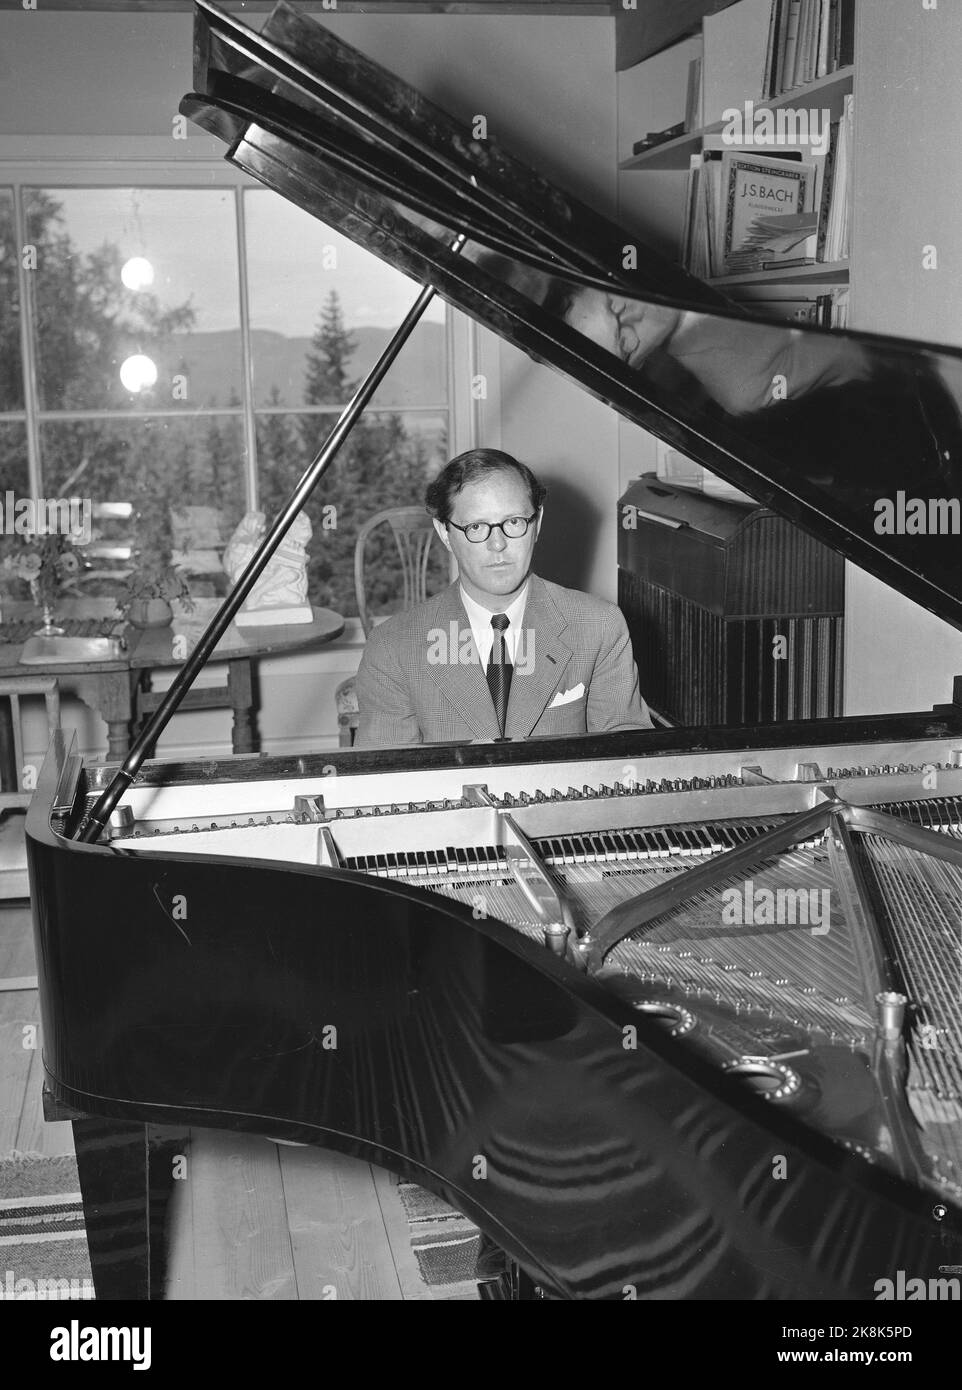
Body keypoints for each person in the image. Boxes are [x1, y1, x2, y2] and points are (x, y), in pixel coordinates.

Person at [355, 449, 652, 747]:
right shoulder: (392, 647)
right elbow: (390, 783)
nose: (498, 544)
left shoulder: (599, 626)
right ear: (445, 533)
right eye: (476, 527)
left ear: (537, 523)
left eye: (513, 522)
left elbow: (629, 761)